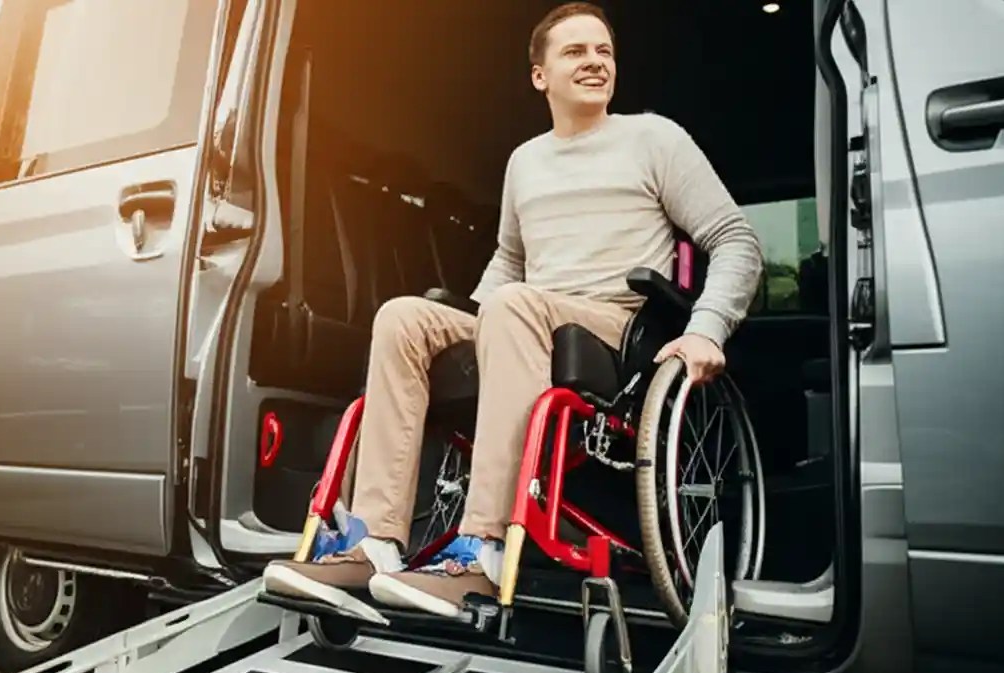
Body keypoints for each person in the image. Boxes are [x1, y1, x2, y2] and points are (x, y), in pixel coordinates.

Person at [262, 2, 762, 621]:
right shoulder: (525, 160)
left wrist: (705, 329)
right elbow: (507, 260)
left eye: (604, 51)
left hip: (615, 325)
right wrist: (467, 325)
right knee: (401, 316)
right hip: (526, 311)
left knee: (515, 306)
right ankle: (374, 543)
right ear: (539, 76)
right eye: (575, 52)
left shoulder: (653, 138)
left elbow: (736, 241)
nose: (594, 62)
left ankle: (484, 552)